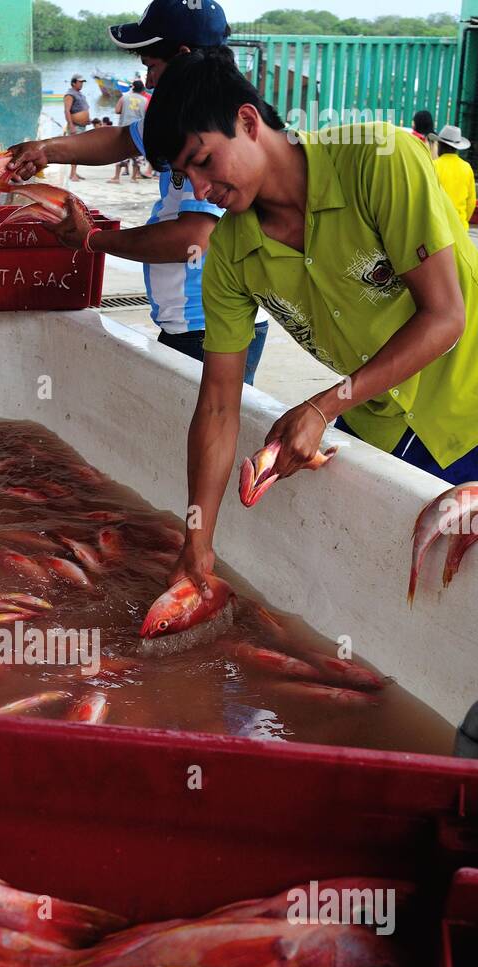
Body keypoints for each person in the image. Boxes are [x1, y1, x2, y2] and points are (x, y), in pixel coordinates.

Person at [141, 50, 478, 591]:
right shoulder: (228, 252)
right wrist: (198, 543)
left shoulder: (378, 159)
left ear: (248, 122)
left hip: (468, 400)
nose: (200, 190)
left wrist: (323, 406)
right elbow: (220, 404)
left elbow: (444, 317)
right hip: (383, 431)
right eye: (185, 177)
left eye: (203, 161)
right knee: (389, 594)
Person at [8, 0, 268, 386]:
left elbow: (193, 237)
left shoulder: (206, 125)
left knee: (203, 434)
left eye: (152, 67)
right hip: (195, 322)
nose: (148, 82)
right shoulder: (184, 112)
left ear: (182, 56)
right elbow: (119, 140)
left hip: (210, 323)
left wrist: (93, 240)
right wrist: (45, 149)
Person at [434, 124, 476, 232]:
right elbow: (471, 202)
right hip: (460, 227)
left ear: (441, 146)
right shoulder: (467, 168)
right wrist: (462, 220)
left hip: (438, 227)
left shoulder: (434, 166)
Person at [111, 79, 148, 182]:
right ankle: (134, 177)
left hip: (125, 128)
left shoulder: (125, 97)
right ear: (142, 89)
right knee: (137, 152)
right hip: (138, 129)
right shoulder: (145, 100)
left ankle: (117, 177)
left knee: (121, 152)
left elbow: (117, 110)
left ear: (133, 87)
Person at [64, 75, 90, 182]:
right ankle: (72, 174)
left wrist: (88, 119)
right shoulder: (70, 94)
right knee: (75, 150)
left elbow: (83, 109)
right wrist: (71, 125)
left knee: (79, 150)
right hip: (75, 126)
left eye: (83, 82)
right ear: (74, 83)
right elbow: (67, 110)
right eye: (80, 82)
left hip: (82, 126)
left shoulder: (81, 95)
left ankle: (74, 172)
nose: (81, 84)